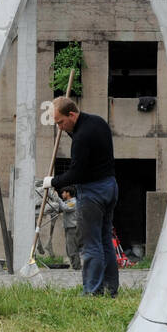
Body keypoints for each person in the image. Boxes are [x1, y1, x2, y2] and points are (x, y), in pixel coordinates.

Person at [38, 97, 118, 296]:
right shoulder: (98, 122)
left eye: (60, 122)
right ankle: (110, 289)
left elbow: (77, 174)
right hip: (110, 186)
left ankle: (92, 291)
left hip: (92, 192)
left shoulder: (81, 137)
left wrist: (52, 182)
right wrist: (70, 131)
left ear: (72, 115)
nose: (59, 128)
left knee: (91, 244)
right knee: (105, 240)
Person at [59, 188, 80, 270]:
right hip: (68, 228)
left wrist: (57, 199)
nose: (62, 194)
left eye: (63, 193)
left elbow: (66, 208)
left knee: (72, 248)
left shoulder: (73, 202)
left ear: (68, 193)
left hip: (73, 228)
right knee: (69, 249)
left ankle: (77, 267)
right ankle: (74, 265)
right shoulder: (68, 202)